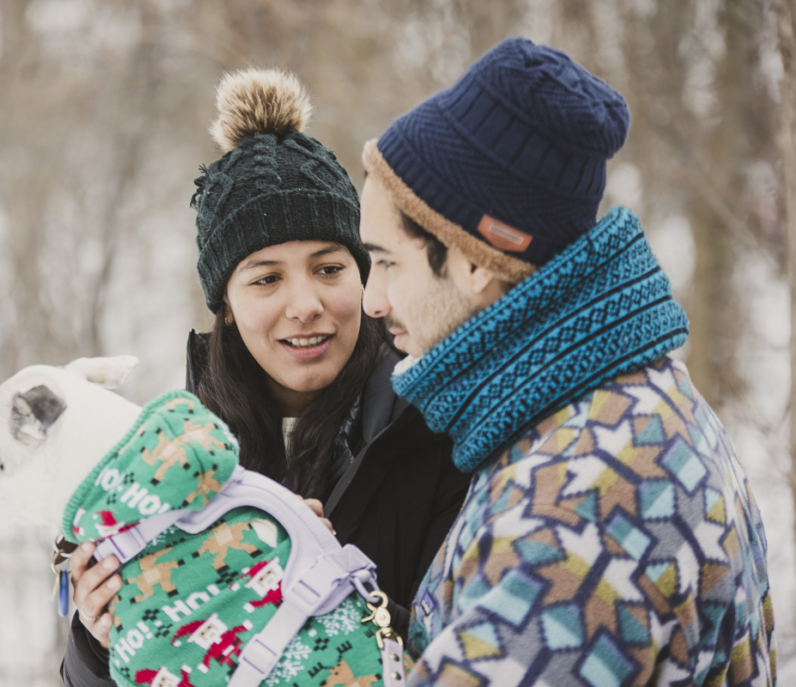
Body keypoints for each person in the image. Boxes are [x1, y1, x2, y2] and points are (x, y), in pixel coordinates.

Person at [357, 37, 775, 686]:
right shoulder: (608, 414)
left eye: (386, 262)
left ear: (474, 259)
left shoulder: (587, 506)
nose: (371, 299)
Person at [60, 68, 471, 687]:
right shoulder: (168, 466)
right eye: (266, 278)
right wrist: (99, 643)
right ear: (225, 304)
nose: (305, 303)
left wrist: (317, 583)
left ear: (365, 276)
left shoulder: (438, 433)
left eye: (330, 268)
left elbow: (478, 654)